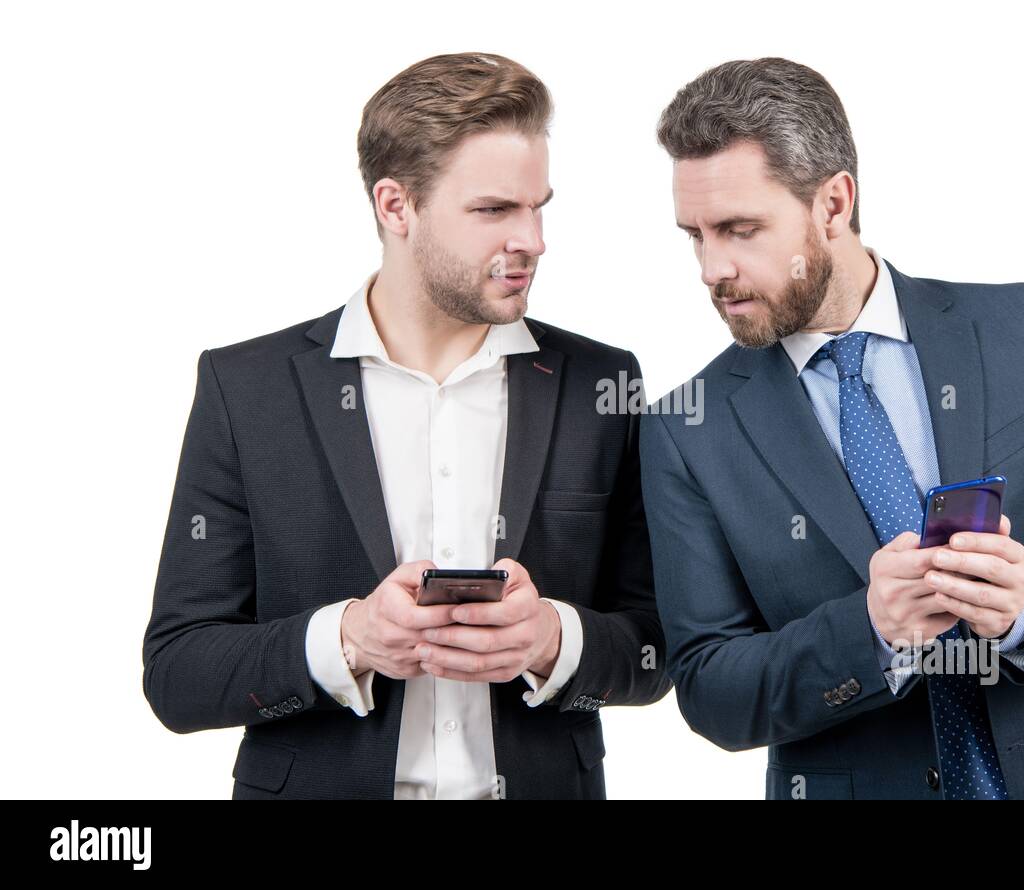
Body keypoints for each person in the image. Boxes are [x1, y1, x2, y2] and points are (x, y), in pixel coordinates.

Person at [641, 57, 1024, 799]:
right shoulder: (685, 430)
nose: (711, 267)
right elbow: (709, 689)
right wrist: (870, 631)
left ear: (833, 203)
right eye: (694, 235)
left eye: (739, 230)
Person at [143, 52, 669, 799]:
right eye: (494, 211)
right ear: (396, 207)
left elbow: (659, 647)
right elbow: (177, 674)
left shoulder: (599, 383)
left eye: (538, 206)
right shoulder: (246, 389)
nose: (533, 239)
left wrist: (556, 639)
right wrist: (347, 639)